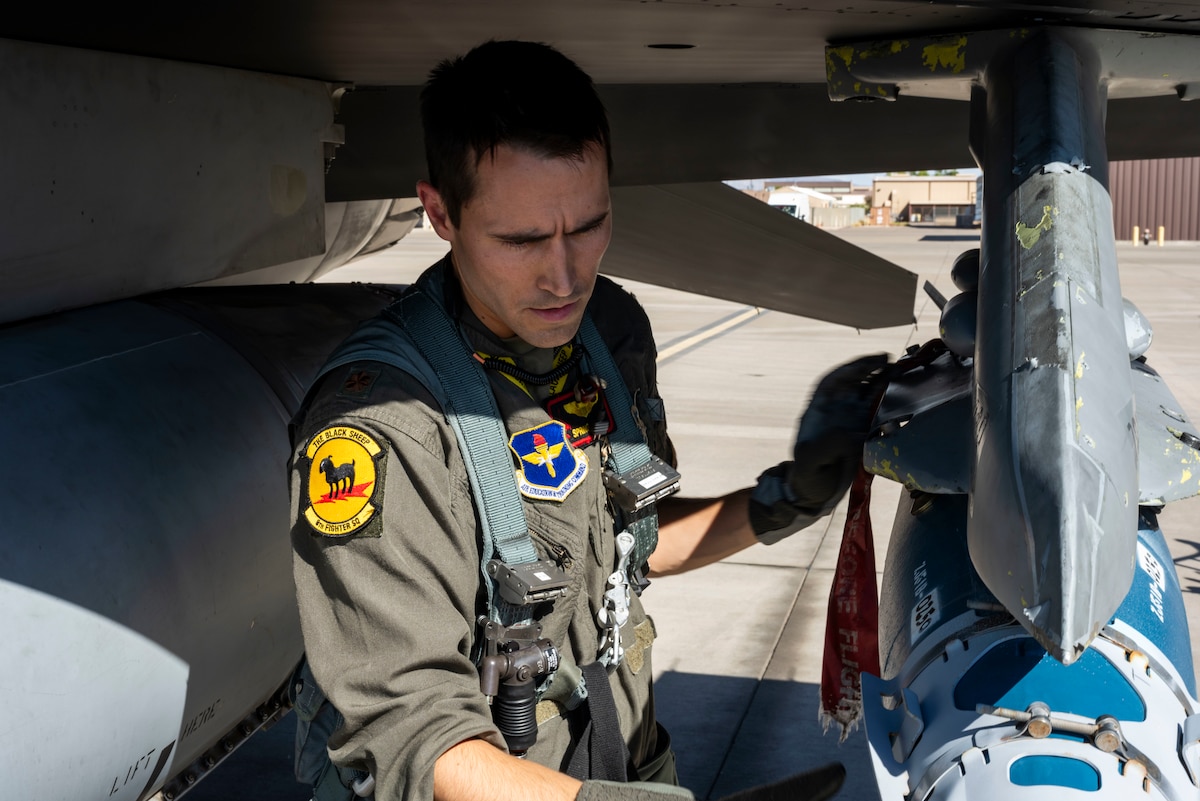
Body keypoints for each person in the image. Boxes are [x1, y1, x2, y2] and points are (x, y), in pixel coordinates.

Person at [289, 39, 884, 801]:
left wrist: (787, 500)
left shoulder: (608, 332)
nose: (565, 277)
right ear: (439, 213)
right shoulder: (384, 426)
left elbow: (626, 551)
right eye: (523, 240)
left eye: (589, 226)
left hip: (624, 768)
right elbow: (414, 739)